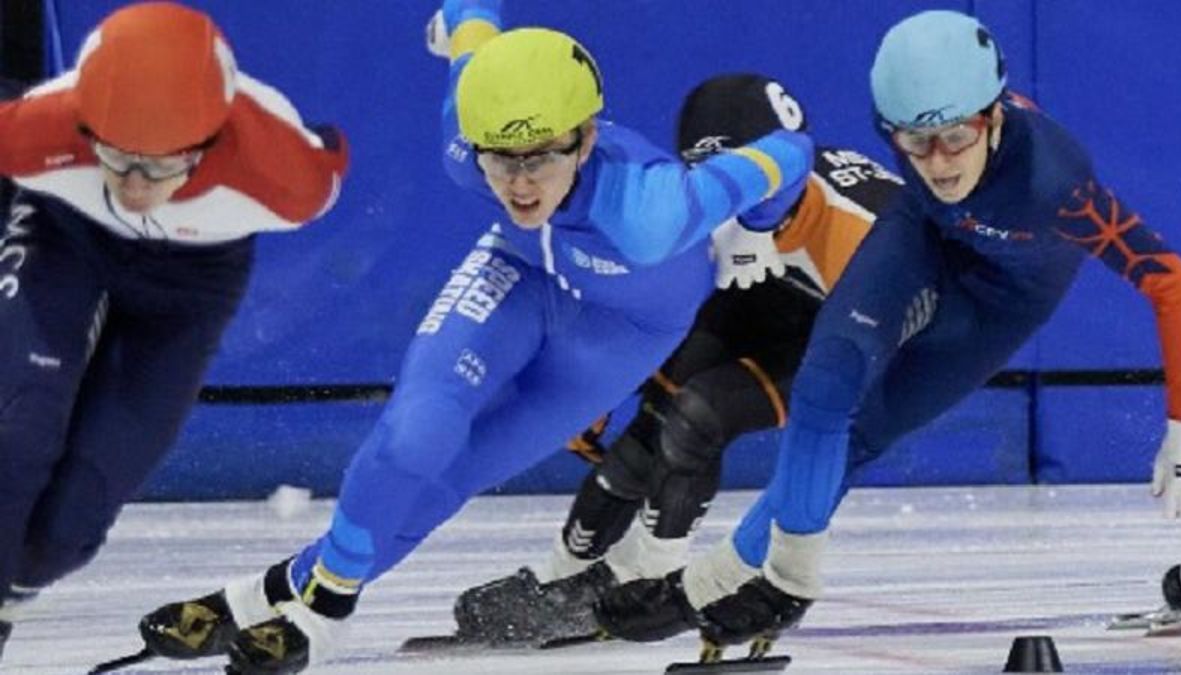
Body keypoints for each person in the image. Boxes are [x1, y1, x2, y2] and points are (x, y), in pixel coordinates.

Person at [136, 1, 814, 672]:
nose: (518, 183)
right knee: (416, 436)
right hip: (519, 272)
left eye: (540, 158)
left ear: (585, 138)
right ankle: (324, 608)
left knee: (454, 473)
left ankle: (267, 594)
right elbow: (475, 32)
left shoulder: (652, 212)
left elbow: (791, 150)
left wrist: (760, 226)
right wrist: (461, 17)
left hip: (621, 333)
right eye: (502, 159)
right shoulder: (465, 139)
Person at [596, 9, 1181, 650]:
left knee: (865, 431)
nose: (937, 163)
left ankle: (711, 581)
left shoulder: (1052, 182)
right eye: (913, 141)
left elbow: (1174, 285)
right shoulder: (927, 147)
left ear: (993, 115)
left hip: (1001, 302)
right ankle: (785, 581)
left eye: (955, 138)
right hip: (924, 236)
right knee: (825, 381)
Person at [451, 72, 903, 646]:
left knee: (699, 414)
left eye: (743, 183)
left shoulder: (858, 233)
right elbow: (639, 307)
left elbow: (885, 366)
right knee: (652, 419)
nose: (728, 199)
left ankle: (653, 574)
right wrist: (593, 390)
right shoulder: (700, 205)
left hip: (852, 329)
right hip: (768, 301)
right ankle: (563, 577)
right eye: (716, 182)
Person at [0, 1, 348, 660]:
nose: (135, 187)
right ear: (84, 126)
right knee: (16, 429)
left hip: (190, 278)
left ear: (212, 142)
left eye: (161, 166)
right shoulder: (37, 130)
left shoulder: (286, 175)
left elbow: (338, 147)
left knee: (70, 524)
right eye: (114, 156)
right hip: (65, 237)